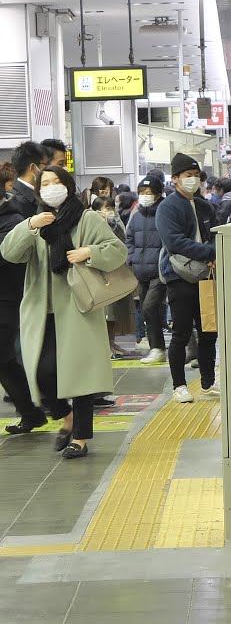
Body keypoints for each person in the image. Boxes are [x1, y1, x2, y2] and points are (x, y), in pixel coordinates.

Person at [0, 165, 127, 458]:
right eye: (45, 183)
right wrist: (29, 226)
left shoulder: (87, 218)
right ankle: (66, 418)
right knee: (42, 372)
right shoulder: (37, 223)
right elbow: (9, 253)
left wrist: (89, 253)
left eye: (57, 181)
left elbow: (118, 250)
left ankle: (80, 438)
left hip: (78, 307)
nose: (51, 187)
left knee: (81, 375)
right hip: (42, 311)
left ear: (68, 186)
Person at [157, 153, 218, 403]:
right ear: (175, 179)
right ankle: (179, 385)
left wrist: (215, 253)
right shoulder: (168, 207)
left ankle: (207, 382)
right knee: (181, 332)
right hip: (178, 275)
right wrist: (210, 253)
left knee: (208, 330)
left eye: (196, 176)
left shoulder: (205, 206)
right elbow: (174, 241)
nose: (193, 180)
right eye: (187, 176)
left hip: (207, 275)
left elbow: (215, 232)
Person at [0, 142, 50, 433]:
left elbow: (10, 257)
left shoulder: (13, 215)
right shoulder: (18, 208)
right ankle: (34, 411)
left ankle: (53, 409)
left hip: (12, 295)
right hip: (12, 296)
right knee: (6, 359)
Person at [127, 175, 168, 364]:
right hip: (141, 271)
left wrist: (164, 262)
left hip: (160, 272)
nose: (144, 196)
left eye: (148, 193)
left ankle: (158, 348)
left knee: (149, 308)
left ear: (158, 194)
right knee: (149, 311)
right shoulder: (137, 216)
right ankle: (158, 348)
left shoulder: (165, 212)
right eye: (141, 193)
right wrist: (132, 258)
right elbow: (129, 239)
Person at [92, 195, 131, 361]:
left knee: (115, 313)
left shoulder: (117, 223)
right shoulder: (91, 225)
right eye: (101, 208)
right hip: (100, 274)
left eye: (109, 208)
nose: (105, 212)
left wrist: (112, 223)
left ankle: (112, 342)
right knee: (106, 314)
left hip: (115, 271)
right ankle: (105, 346)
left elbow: (122, 241)